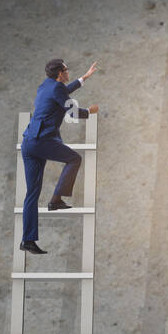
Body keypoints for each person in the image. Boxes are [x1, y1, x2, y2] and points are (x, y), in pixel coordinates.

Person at [19, 57, 99, 254]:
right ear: (60, 74)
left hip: (29, 143)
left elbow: (63, 91)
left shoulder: (45, 86)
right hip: (42, 141)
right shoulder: (56, 89)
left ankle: (27, 240)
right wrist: (89, 111)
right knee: (74, 159)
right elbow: (71, 112)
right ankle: (55, 200)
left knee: (32, 194)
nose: (68, 72)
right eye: (66, 70)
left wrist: (84, 78)